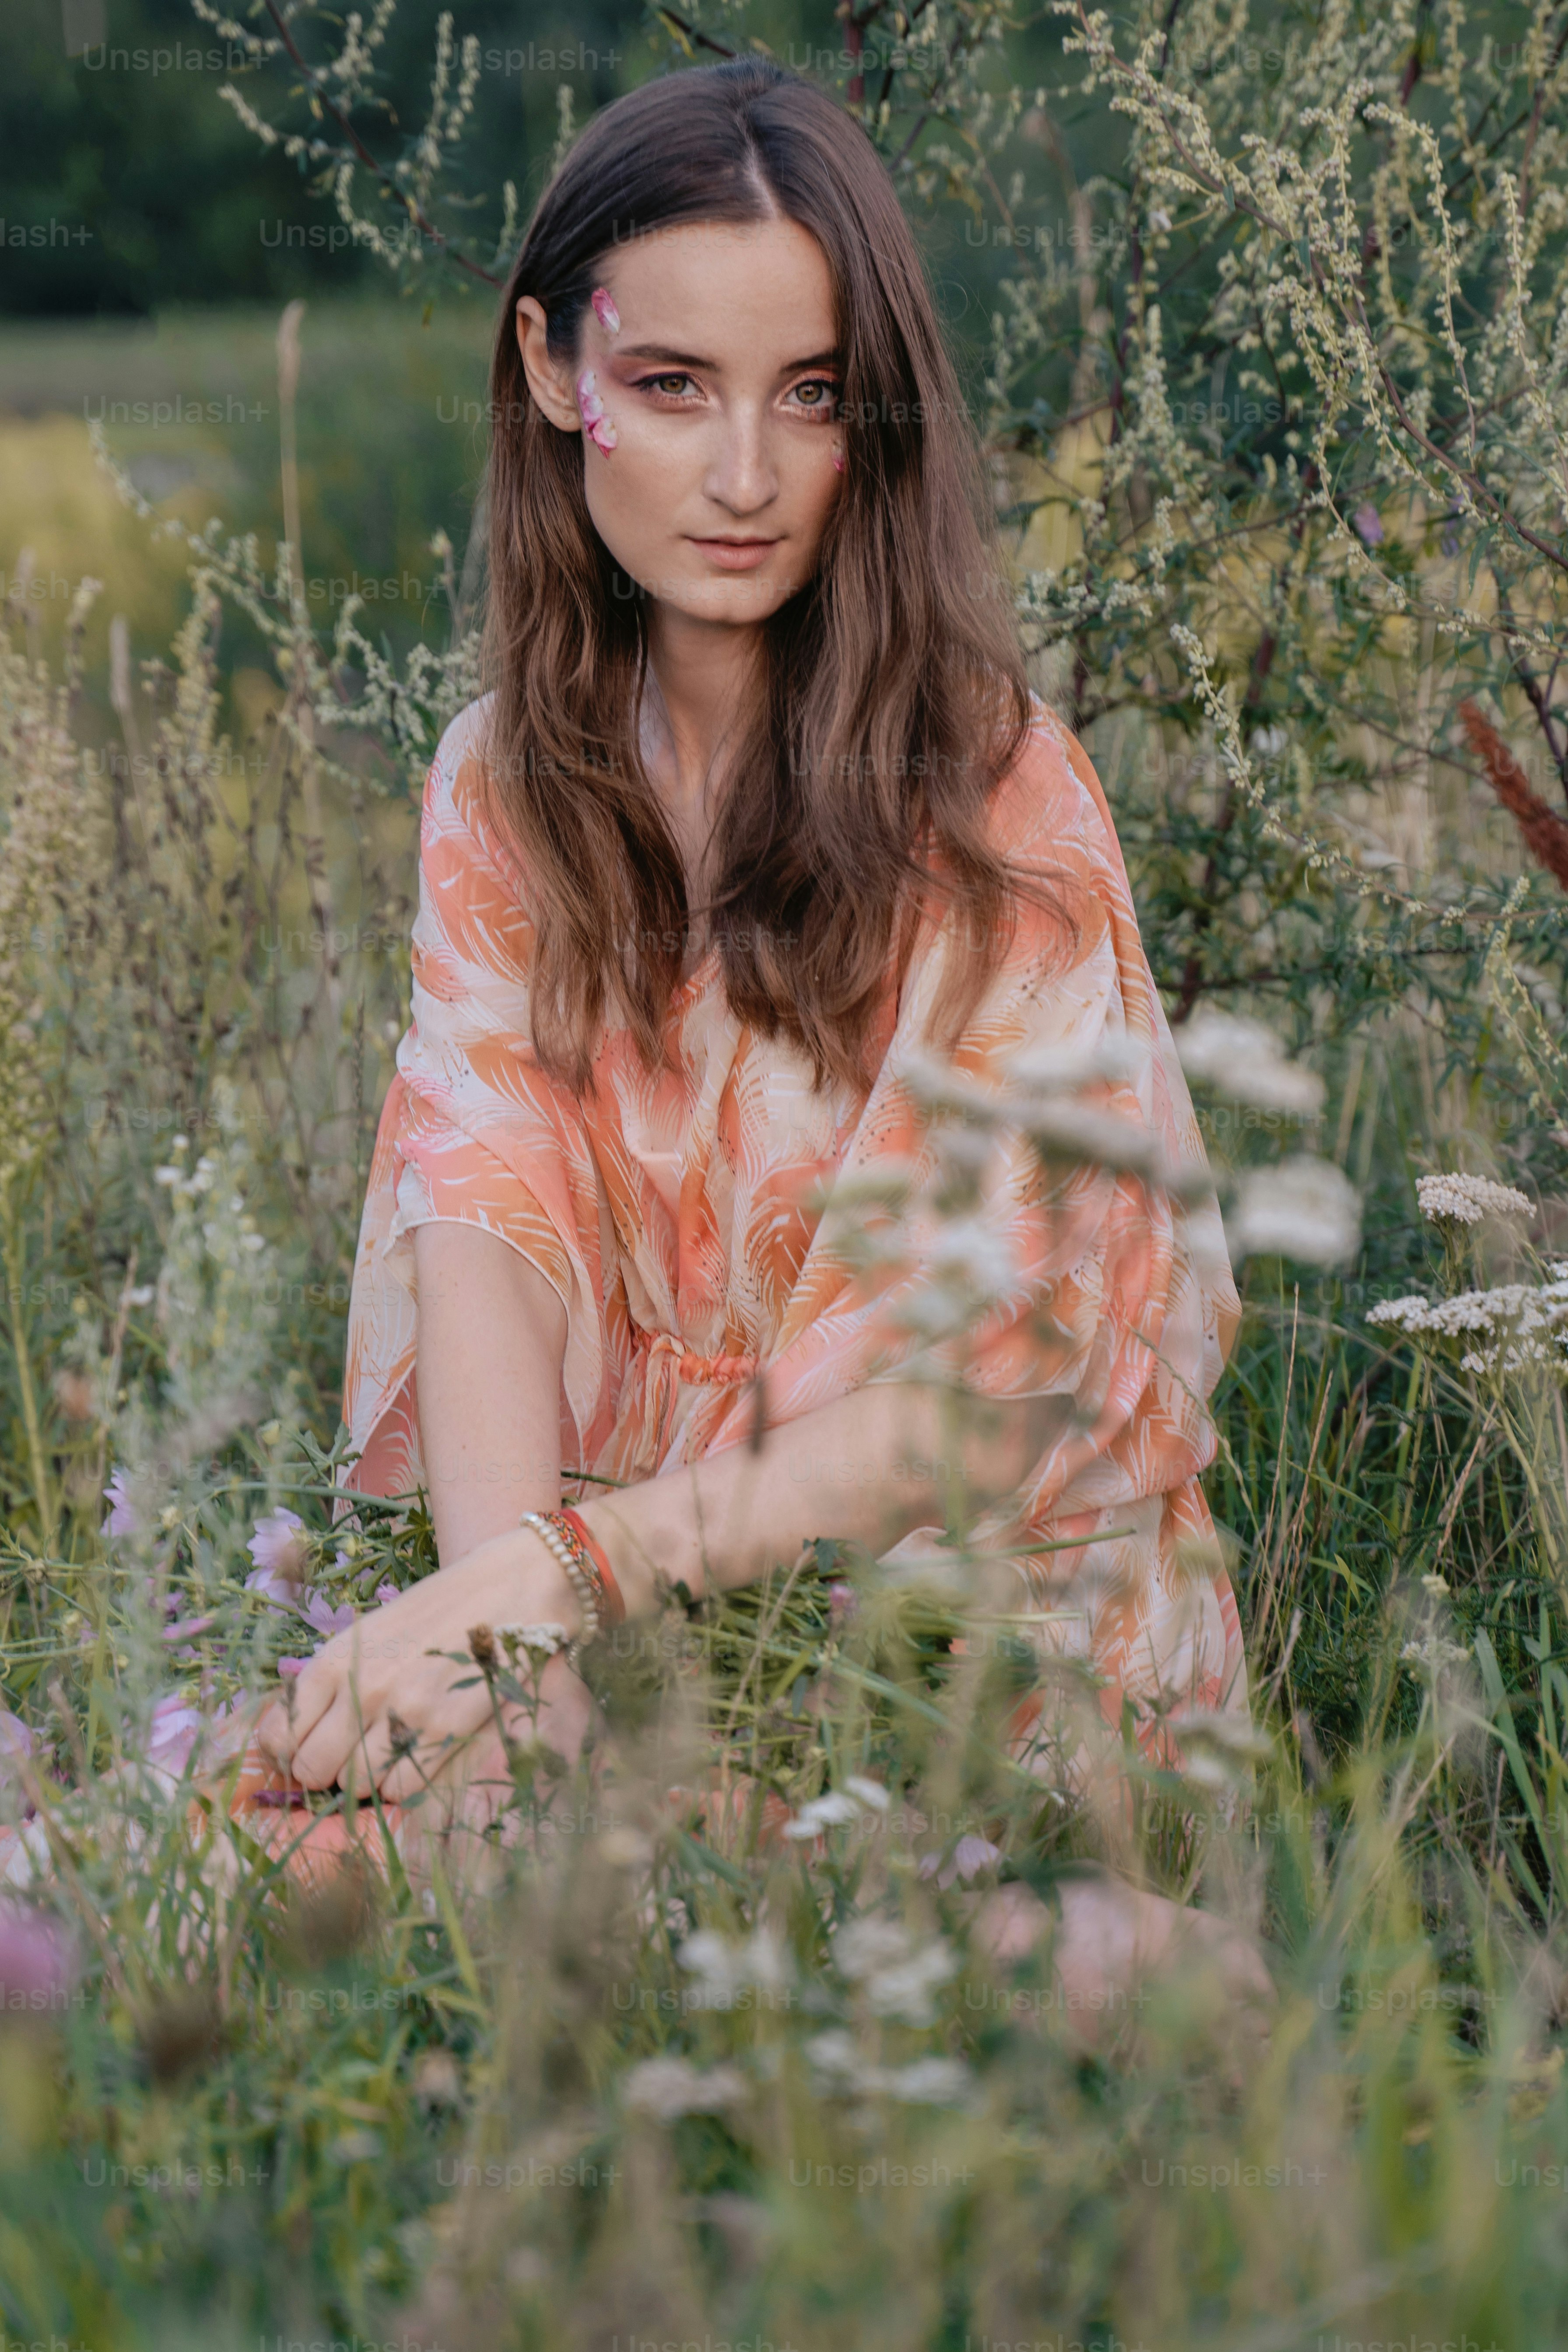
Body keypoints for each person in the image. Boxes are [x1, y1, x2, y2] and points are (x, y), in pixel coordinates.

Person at [253, 63, 1255, 1989]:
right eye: (669, 386)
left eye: (806, 396)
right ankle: (867, 1933)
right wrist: (500, 1661)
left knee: (391, 1861)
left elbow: (989, 1399)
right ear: (553, 372)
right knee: (272, 1849)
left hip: (978, 1647)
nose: (741, 477)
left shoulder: (990, 800)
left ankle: (984, 1916)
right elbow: (487, 1236)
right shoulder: (501, 789)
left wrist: (560, 1586)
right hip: (638, 1631)